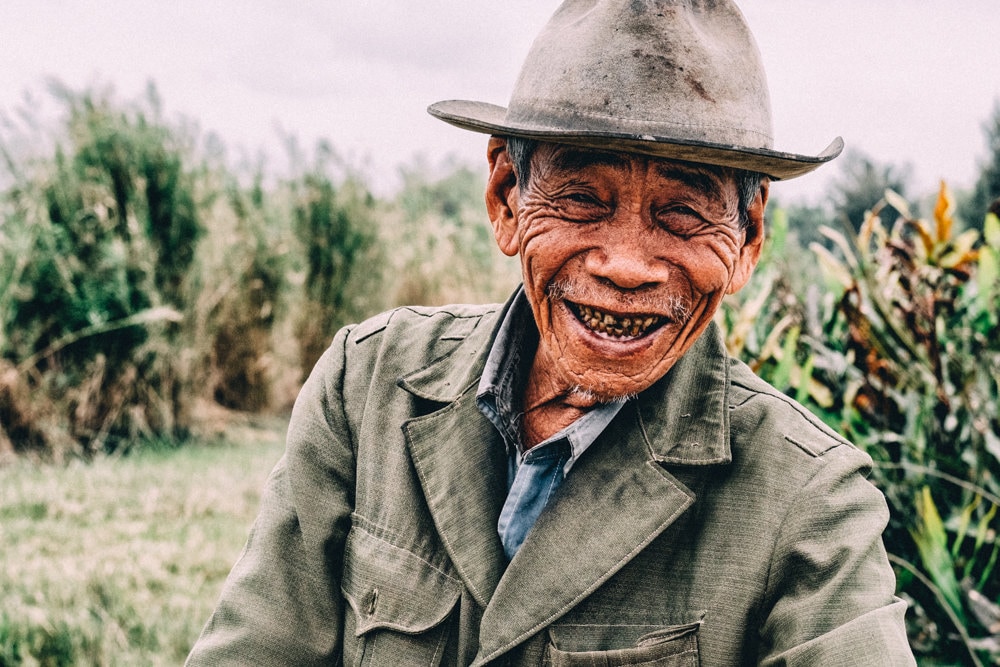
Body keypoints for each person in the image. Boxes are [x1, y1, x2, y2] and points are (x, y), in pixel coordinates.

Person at [187, 1, 917, 664]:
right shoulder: (368, 385)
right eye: (581, 199)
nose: (626, 264)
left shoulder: (809, 499)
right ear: (507, 197)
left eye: (683, 213)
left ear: (748, 239)